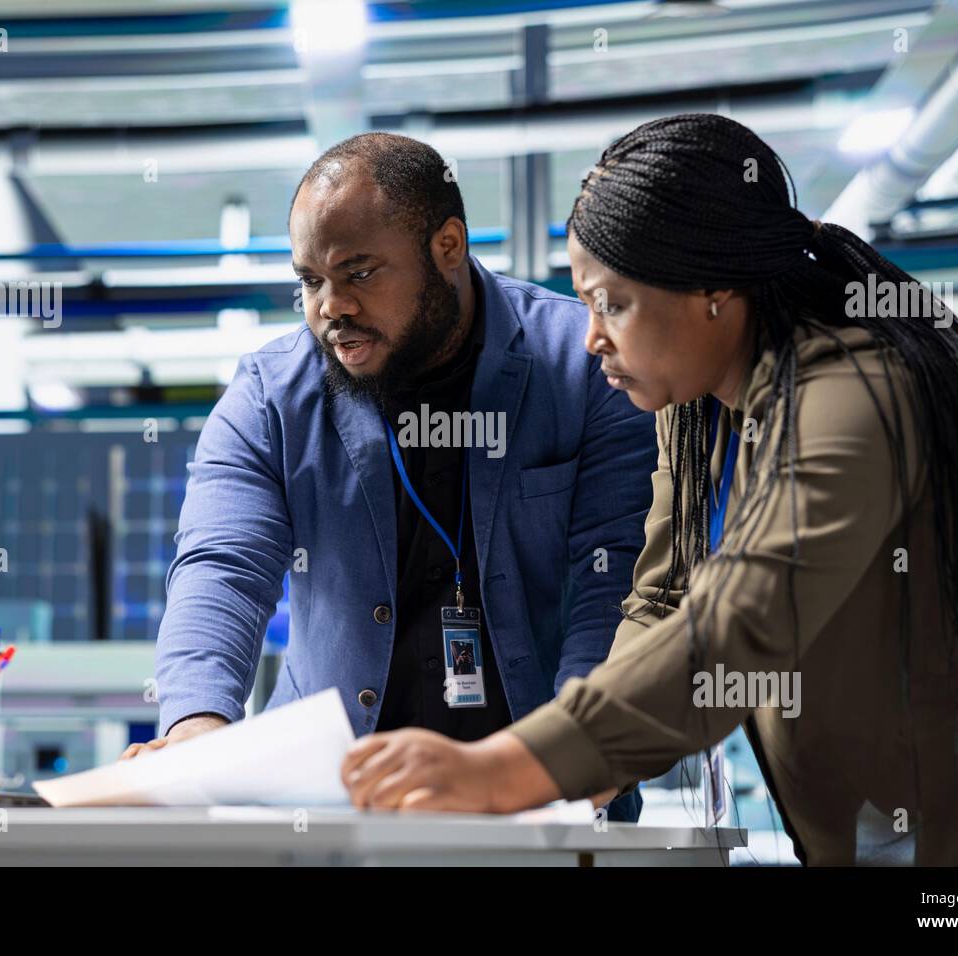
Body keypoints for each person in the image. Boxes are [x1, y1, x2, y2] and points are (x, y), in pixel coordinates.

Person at [340, 114, 958, 865]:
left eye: (613, 303)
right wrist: (585, 780)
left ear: (710, 287)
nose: (591, 335)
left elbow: (745, 623)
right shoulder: (697, 404)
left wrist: (504, 768)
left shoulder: (855, 392)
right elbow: (666, 602)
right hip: (899, 824)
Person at [127, 132, 656, 821]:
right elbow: (221, 568)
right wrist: (197, 728)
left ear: (448, 247)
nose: (330, 307)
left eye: (360, 272)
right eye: (310, 281)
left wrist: (576, 758)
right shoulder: (268, 397)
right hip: (328, 816)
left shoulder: (584, 367)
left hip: (540, 807)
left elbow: (613, 580)